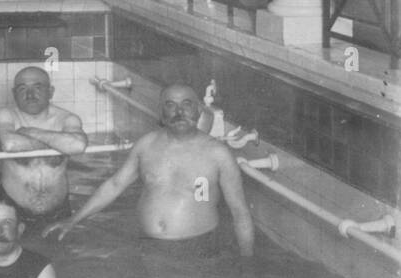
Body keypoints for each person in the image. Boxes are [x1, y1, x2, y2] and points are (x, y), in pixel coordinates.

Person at [44, 84, 256, 258]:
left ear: (199, 111)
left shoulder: (218, 153)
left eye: (186, 105)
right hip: (149, 246)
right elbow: (115, 185)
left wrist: (248, 262)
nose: (179, 112)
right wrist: (74, 220)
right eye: (170, 105)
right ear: (162, 113)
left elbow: (240, 212)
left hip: (198, 247)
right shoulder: (147, 144)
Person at [0, 66, 88, 226]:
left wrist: (31, 132)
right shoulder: (6, 115)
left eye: (37, 88)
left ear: (50, 92)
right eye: (23, 89)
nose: (30, 95)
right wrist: (59, 143)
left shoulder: (66, 119)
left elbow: (78, 145)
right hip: (12, 209)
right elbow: (10, 144)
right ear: (14, 93)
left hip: (59, 211)